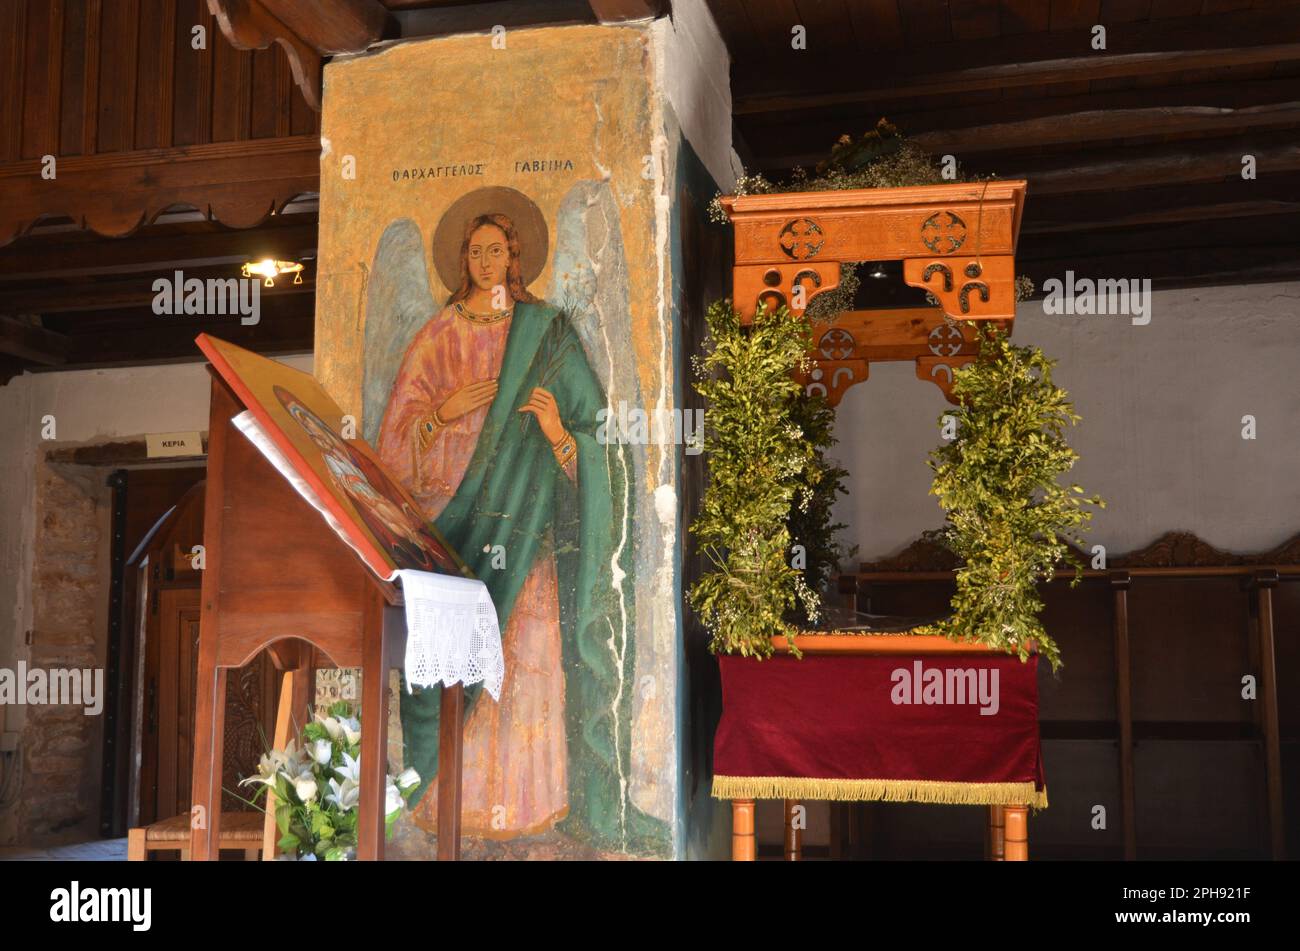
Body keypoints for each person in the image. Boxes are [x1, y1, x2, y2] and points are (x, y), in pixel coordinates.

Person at [377, 208, 665, 853]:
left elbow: (598, 436)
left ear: (516, 258)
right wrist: (441, 414)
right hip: (453, 534)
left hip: (527, 529)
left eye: (497, 250)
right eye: (475, 250)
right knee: (455, 659)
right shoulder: (438, 336)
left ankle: (531, 808)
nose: (486, 261)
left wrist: (561, 436)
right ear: (462, 260)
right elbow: (394, 445)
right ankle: (449, 807)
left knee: (525, 653)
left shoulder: (546, 335)